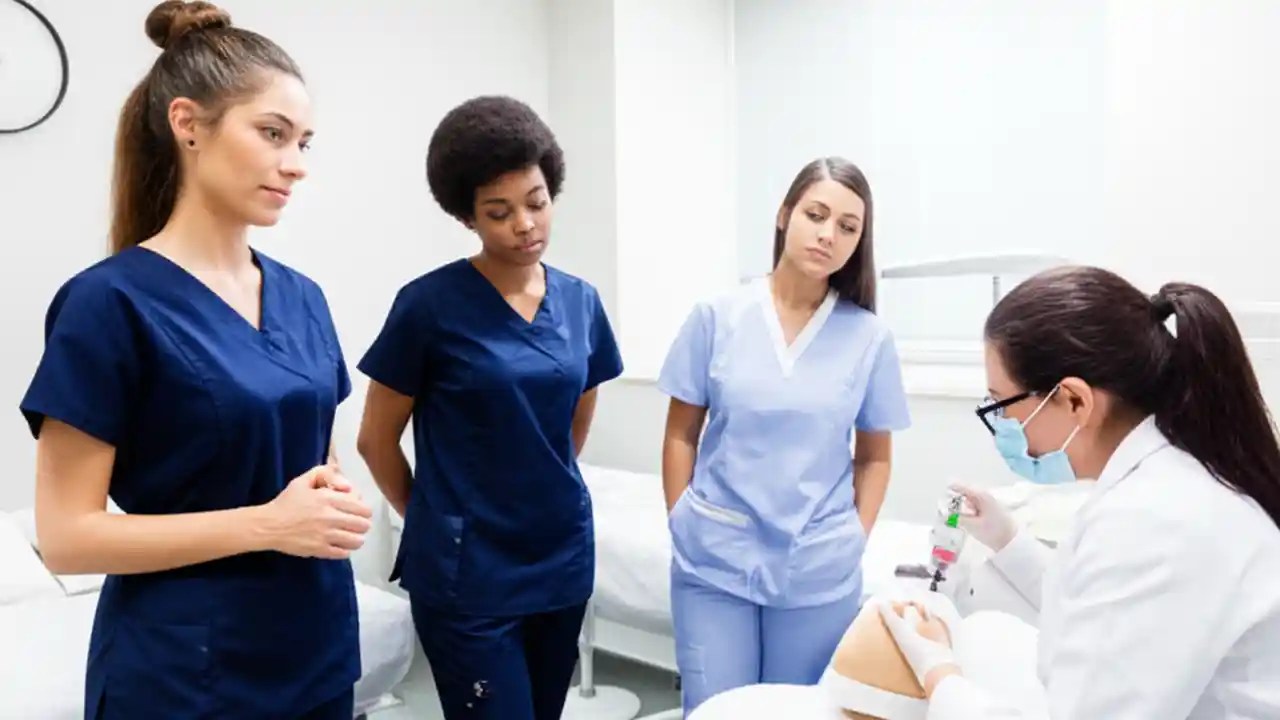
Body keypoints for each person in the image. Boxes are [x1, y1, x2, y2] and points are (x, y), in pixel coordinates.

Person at [17, 2, 373, 718]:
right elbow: (66, 539)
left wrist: (329, 504)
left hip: (316, 647)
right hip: (186, 674)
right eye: (272, 134)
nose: (295, 165)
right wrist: (269, 525)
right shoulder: (108, 304)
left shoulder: (303, 299)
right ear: (188, 124)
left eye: (305, 142)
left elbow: (314, 469)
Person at [879, 266, 1280, 718]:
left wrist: (940, 677)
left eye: (1001, 404)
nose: (1003, 426)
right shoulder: (1168, 481)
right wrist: (1006, 538)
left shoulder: (1157, 521)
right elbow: (1103, 611)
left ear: (1074, 400)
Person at [355, 95, 624, 720]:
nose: (525, 225)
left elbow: (574, 415)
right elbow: (375, 439)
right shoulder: (428, 306)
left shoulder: (580, 302)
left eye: (536, 202)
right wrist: (432, 516)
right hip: (465, 574)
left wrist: (538, 476)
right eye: (498, 213)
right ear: (467, 217)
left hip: (559, 555)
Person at [658, 156, 911, 715]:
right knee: (714, 711)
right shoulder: (717, 317)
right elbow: (681, 435)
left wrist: (854, 536)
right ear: (783, 215)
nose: (828, 234)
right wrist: (681, 517)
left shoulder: (868, 338)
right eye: (816, 214)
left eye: (848, 227)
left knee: (798, 714)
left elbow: (875, 458)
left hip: (817, 569)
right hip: (713, 561)